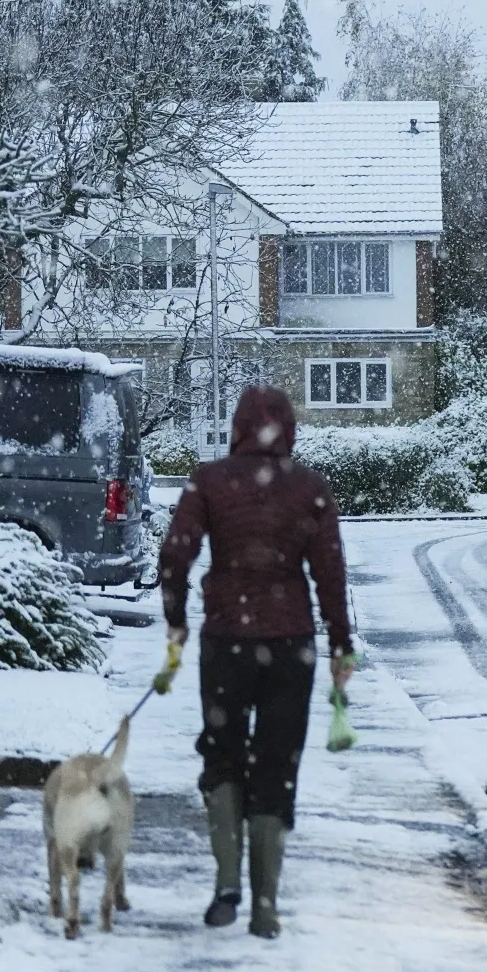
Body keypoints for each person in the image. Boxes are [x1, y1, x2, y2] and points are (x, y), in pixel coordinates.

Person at [159, 385, 354, 938]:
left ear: (237, 427)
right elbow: (330, 574)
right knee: (276, 762)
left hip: (226, 641)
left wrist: (176, 618)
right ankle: (266, 903)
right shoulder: (310, 488)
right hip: (291, 644)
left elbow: (176, 552)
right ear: (288, 429)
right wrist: (341, 645)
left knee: (222, 753)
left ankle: (227, 880)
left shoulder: (210, 480)